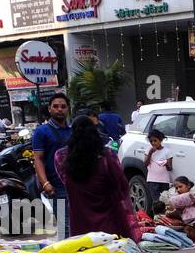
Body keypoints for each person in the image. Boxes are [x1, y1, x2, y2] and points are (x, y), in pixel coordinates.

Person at [55, 115, 136, 242]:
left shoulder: (61, 156)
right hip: (108, 219)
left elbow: (64, 180)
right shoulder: (107, 156)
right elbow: (122, 186)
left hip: (79, 220)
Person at [30, 93, 73, 236]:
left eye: (63, 106)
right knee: (64, 226)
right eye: (55, 106)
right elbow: (38, 159)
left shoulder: (73, 130)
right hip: (57, 186)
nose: (59, 109)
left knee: (78, 223)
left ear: (68, 109)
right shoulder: (42, 131)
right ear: (49, 109)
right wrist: (45, 183)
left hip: (75, 184)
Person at [162, 176, 195, 244]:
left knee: (189, 230)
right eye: (176, 188)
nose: (178, 190)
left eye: (180, 186)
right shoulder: (177, 200)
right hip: (186, 223)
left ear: (188, 186)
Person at [144, 129, 173, 212]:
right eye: (151, 141)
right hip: (152, 180)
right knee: (156, 201)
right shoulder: (148, 150)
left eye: (155, 141)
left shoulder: (167, 151)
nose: (153, 143)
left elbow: (170, 168)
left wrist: (166, 163)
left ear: (161, 140)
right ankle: (156, 219)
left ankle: (164, 219)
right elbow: (145, 164)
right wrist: (150, 153)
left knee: (165, 201)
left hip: (164, 180)